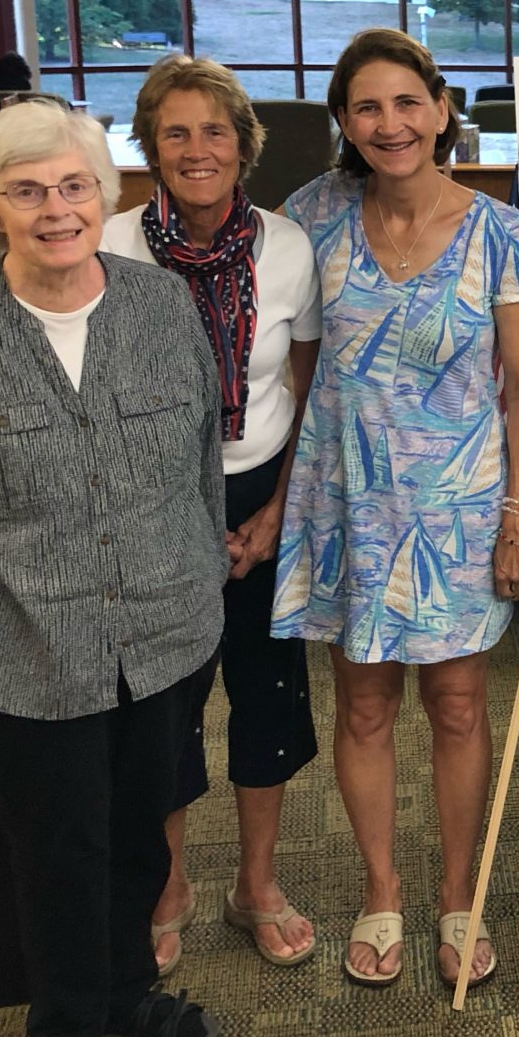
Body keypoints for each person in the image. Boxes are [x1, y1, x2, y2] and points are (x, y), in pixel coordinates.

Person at [0, 101, 225, 1037]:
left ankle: (126, 990)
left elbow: (201, 463)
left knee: (137, 831)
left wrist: (200, 583)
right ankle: (66, 1029)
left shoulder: (162, 307)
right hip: (23, 649)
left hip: (163, 635)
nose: (55, 208)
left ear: (105, 192)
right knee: (58, 850)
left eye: (74, 185)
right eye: (26, 190)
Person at [271, 28, 519, 990]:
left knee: (462, 705)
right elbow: (297, 372)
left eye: (407, 103)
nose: (390, 125)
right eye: (367, 108)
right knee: (363, 706)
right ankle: (382, 892)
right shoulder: (310, 217)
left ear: (439, 109)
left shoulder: (499, 230)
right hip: (350, 504)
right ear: (344, 122)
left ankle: (458, 896)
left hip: (462, 512)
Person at [100, 56, 321, 974]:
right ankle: (170, 882)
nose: (198, 149)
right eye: (176, 131)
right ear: (149, 146)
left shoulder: (289, 248)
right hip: (148, 503)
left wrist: (276, 511)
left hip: (259, 492)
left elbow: (310, 389)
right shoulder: (107, 244)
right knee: (165, 703)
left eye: (216, 130)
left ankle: (257, 885)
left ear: (245, 145)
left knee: (265, 694)